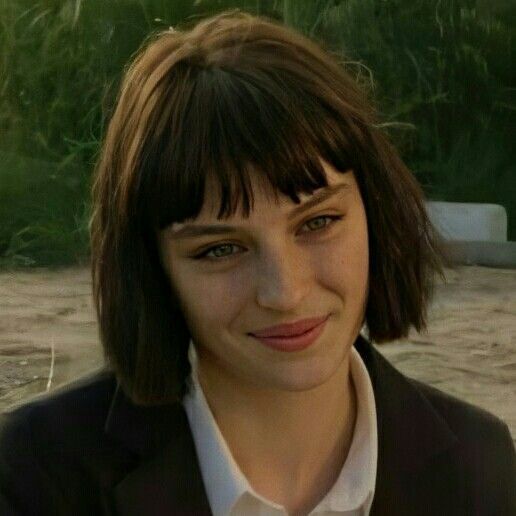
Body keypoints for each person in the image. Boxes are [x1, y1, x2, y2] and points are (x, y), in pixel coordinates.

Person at [0, 10, 514, 516]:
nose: (284, 291)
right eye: (220, 249)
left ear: (376, 210)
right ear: (151, 269)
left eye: (317, 222)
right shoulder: (37, 477)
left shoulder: (479, 469)